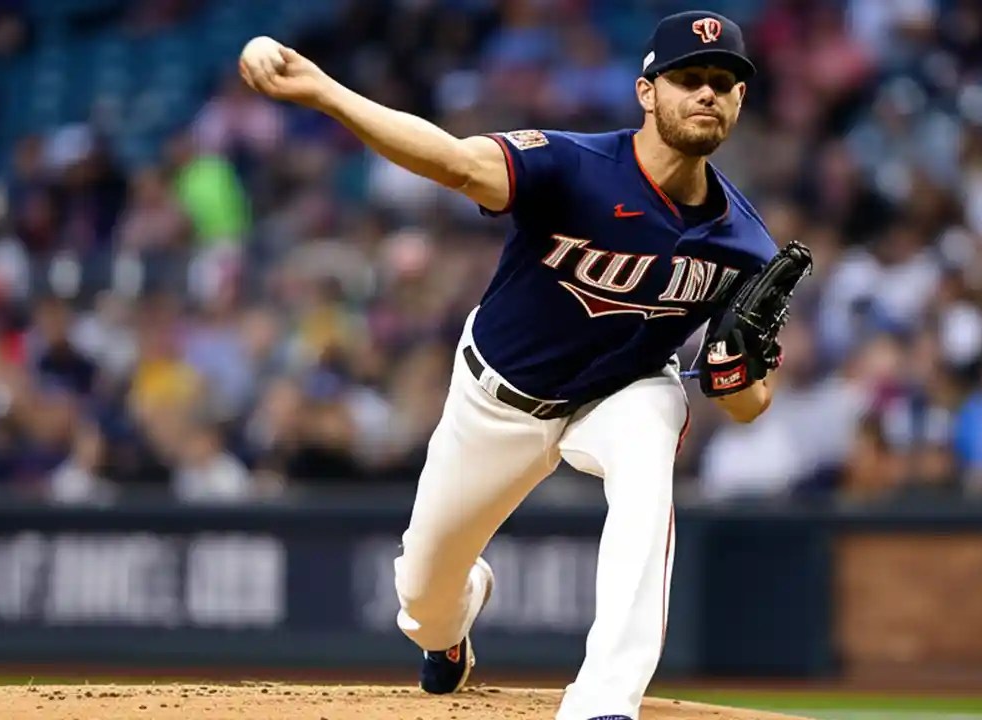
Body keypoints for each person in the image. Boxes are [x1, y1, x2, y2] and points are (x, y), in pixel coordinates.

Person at [240, 11, 781, 720]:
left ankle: (603, 703)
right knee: (423, 598)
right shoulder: (573, 166)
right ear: (647, 92)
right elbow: (454, 161)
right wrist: (327, 93)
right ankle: (455, 621)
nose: (707, 93)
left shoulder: (745, 244)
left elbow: (748, 403)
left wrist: (738, 381)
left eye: (723, 82)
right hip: (499, 397)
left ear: (740, 101)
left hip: (622, 393)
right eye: (689, 79)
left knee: (649, 458)